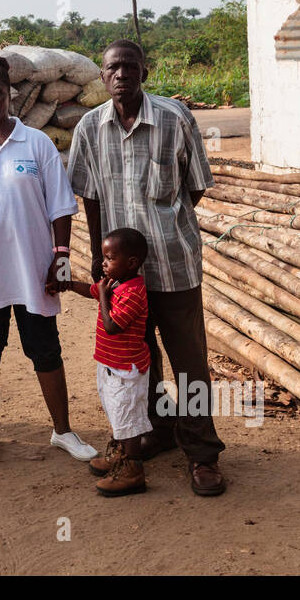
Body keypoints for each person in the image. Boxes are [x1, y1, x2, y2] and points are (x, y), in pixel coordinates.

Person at [66, 40, 228, 496]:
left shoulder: (175, 119)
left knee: (189, 363)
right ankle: (157, 430)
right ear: (102, 77)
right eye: (113, 68)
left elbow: (194, 188)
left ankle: (202, 454)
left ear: (145, 71)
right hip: (123, 277)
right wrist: (102, 260)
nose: (121, 75)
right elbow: (90, 196)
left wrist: (164, 223)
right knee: (140, 363)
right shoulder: (89, 128)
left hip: (174, 265)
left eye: (130, 67)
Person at [0, 55, 98, 465]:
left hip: (34, 272)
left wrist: (60, 257)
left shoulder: (38, 143)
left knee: (46, 351)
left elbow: (61, 207)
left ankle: (63, 431)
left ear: (9, 95)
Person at [52, 227, 152, 497]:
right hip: (110, 365)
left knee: (127, 419)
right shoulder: (116, 283)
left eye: (110, 258)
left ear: (131, 263)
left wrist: (105, 297)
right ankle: (120, 454)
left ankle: (133, 471)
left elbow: (112, 326)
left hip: (126, 371)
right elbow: (93, 290)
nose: (103, 263)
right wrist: (69, 285)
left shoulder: (133, 292)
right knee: (117, 413)